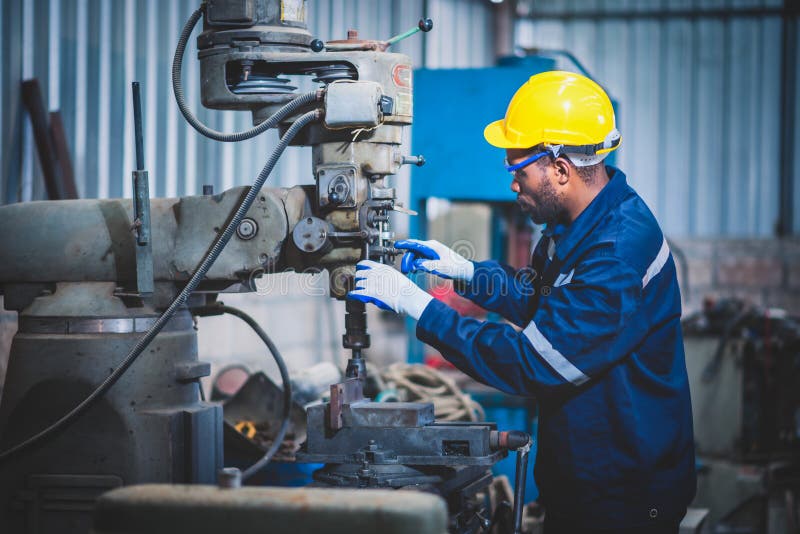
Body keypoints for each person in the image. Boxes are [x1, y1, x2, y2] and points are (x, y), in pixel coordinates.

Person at [348, 71, 696, 533]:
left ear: (560, 169)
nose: (513, 185)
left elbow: (535, 361)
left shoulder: (615, 252)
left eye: (519, 171)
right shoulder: (579, 225)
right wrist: (468, 273)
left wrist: (421, 307)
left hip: (623, 498)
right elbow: (547, 300)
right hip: (586, 479)